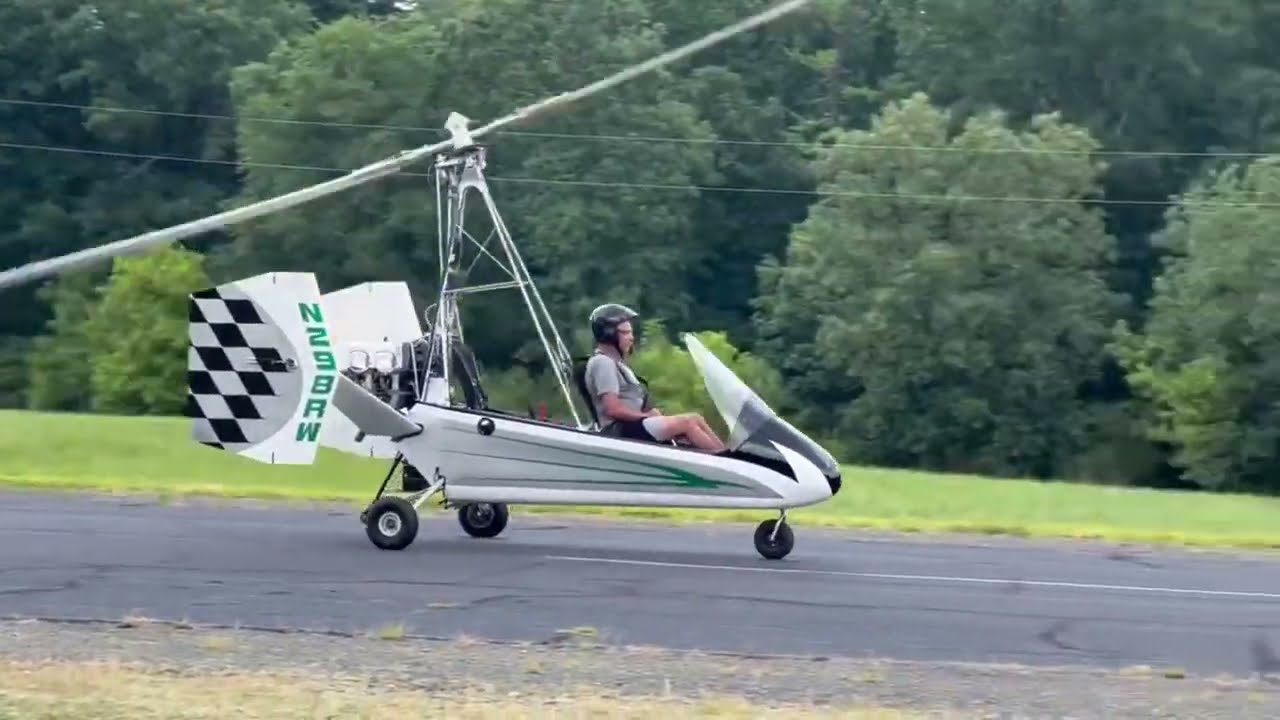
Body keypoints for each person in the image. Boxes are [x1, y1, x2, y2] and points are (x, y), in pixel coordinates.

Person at [581, 303, 727, 452]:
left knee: (696, 418)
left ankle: (728, 456)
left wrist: (657, 417)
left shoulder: (618, 364)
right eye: (625, 333)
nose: (631, 338)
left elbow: (636, 403)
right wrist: (645, 417)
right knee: (688, 422)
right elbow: (612, 409)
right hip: (620, 430)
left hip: (634, 426)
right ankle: (724, 464)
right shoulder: (602, 363)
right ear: (608, 334)